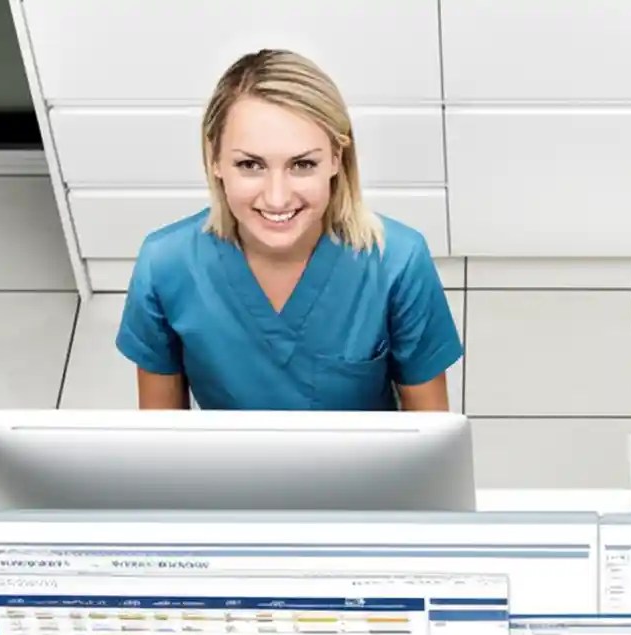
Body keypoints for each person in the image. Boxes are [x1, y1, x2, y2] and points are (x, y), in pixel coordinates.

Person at [116, 49, 462, 411]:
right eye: (250, 164)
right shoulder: (165, 266)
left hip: (364, 469)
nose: (277, 198)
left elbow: (429, 434)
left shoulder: (398, 263)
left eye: (302, 164)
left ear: (336, 159)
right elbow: (163, 443)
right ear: (215, 159)